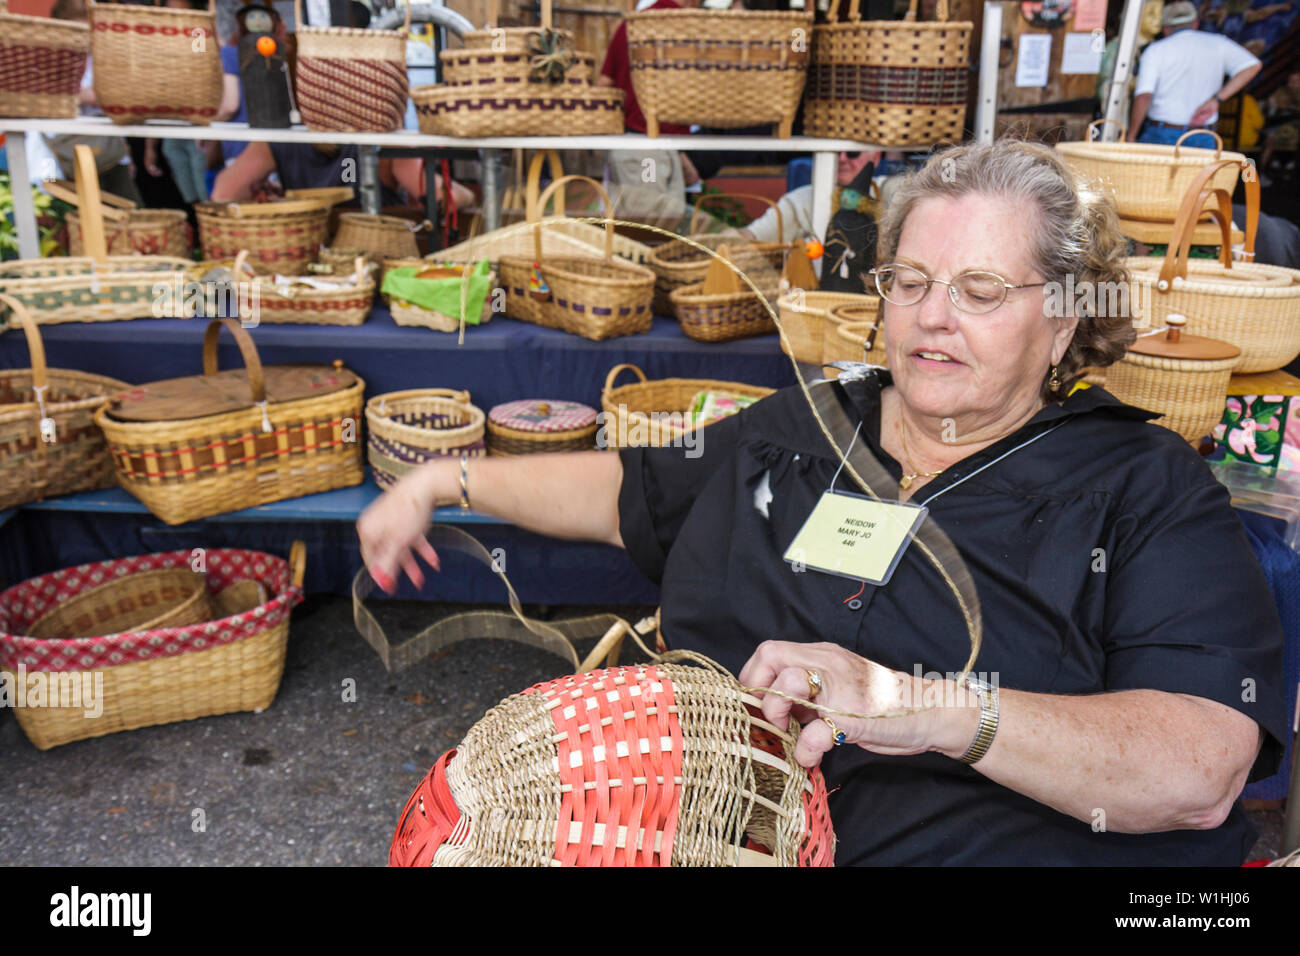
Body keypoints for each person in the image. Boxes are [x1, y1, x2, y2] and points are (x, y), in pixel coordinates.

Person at [356, 140, 1287, 865]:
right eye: (910, 282)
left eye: (981, 291)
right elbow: (627, 489)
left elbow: (1202, 767)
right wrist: (444, 481)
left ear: (1066, 318)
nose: (932, 316)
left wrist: (927, 707)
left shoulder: (1143, 483)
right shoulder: (801, 428)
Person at [597, 0, 702, 230]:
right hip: (647, 152)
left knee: (650, 232)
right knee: (652, 231)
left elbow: (604, 85)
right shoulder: (690, 26)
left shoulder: (632, 25)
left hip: (638, 147)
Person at [1128, 1, 1262, 147]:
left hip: (1162, 132)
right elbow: (1253, 65)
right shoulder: (1218, 44)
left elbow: (1144, 96)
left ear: (1165, 29)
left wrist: (1132, 135)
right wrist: (1216, 100)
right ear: (1196, 23)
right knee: (1201, 171)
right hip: (1203, 134)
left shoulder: (1155, 50)